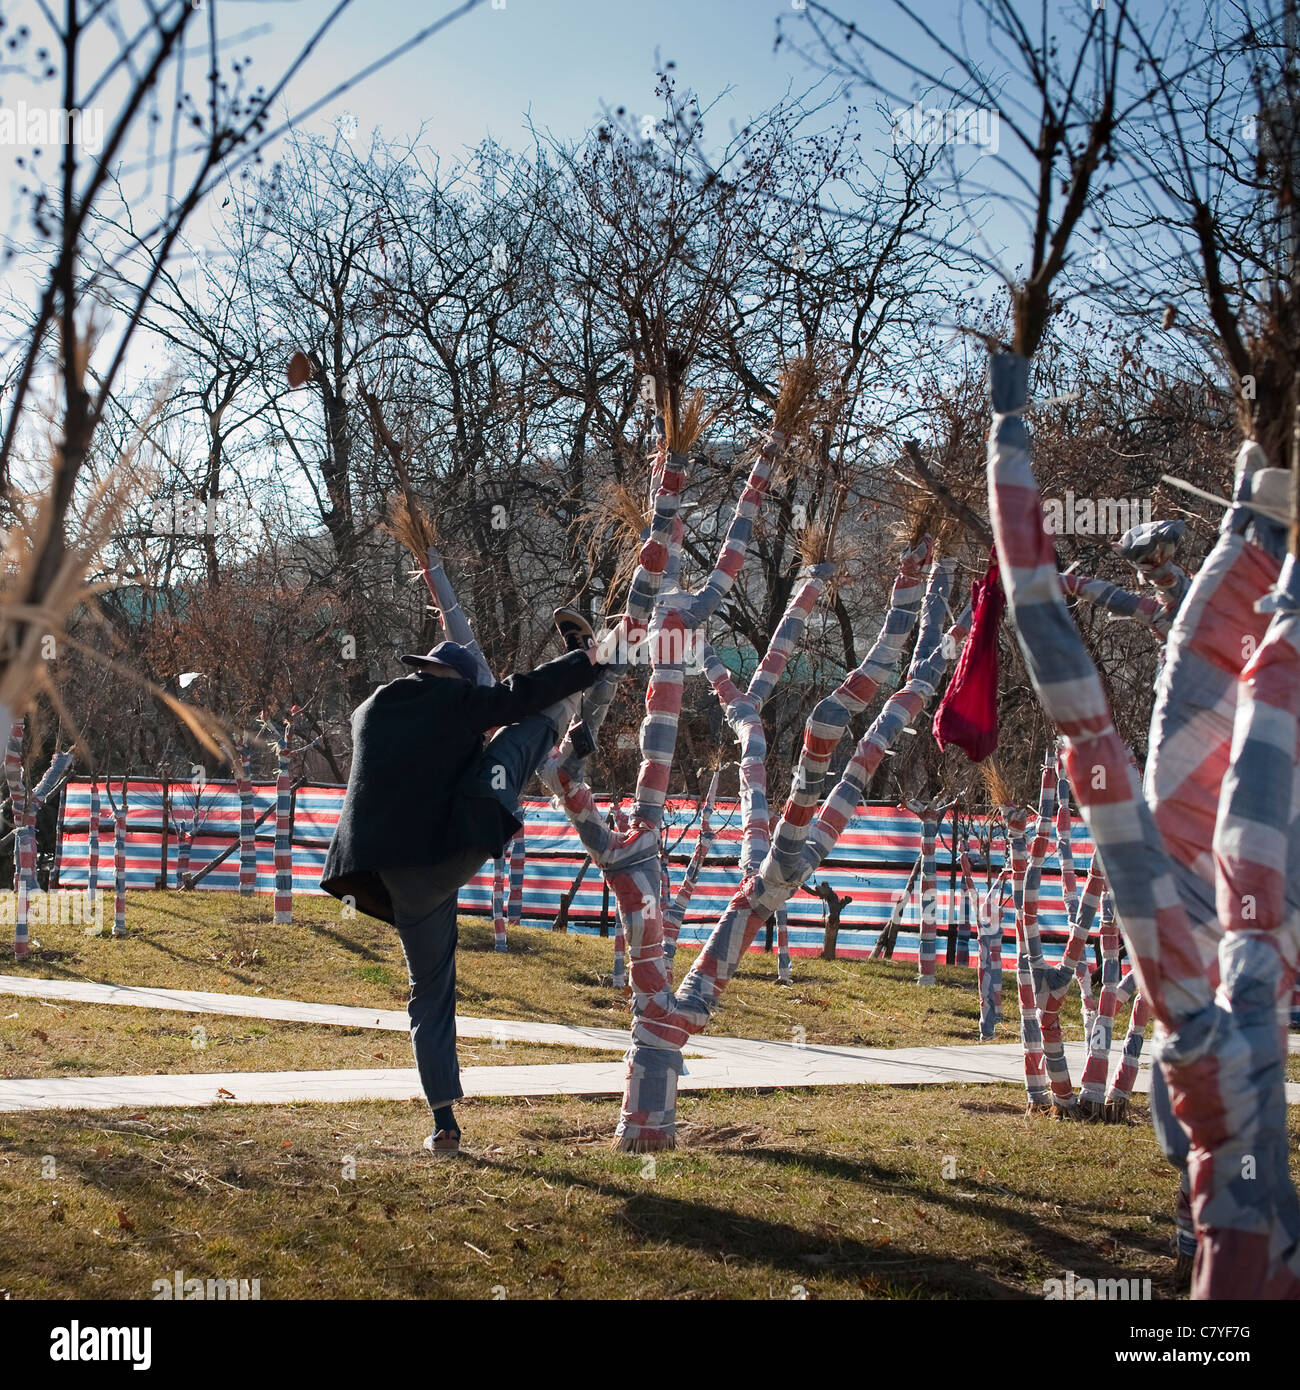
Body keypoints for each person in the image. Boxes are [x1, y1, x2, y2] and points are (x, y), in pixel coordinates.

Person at [321, 609, 604, 1156]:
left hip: (392, 877)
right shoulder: (452, 702)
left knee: (427, 994)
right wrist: (581, 664)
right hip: (448, 852)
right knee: (519, 738)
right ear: (456, 682)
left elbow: (429, 761)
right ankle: (576, 687)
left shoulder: (370, 708)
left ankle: (443, 1123)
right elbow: (515, 696)